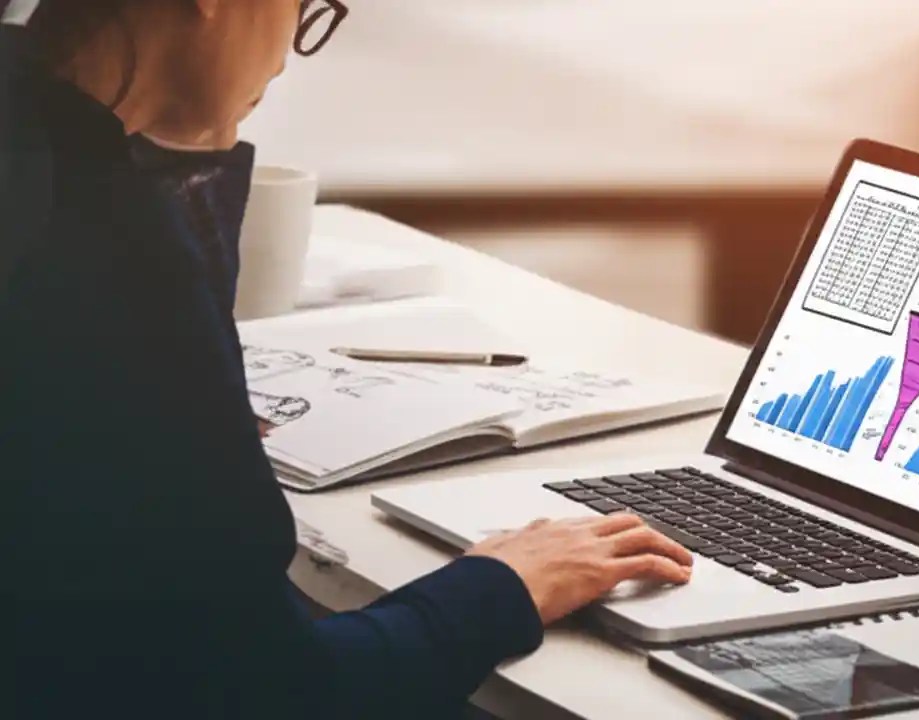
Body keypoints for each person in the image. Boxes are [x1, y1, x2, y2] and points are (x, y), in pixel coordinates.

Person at [0, 1, 694, 718]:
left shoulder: (33, 148)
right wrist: (500, 586)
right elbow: (274, 693)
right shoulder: (94, 246)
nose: (288, 48)